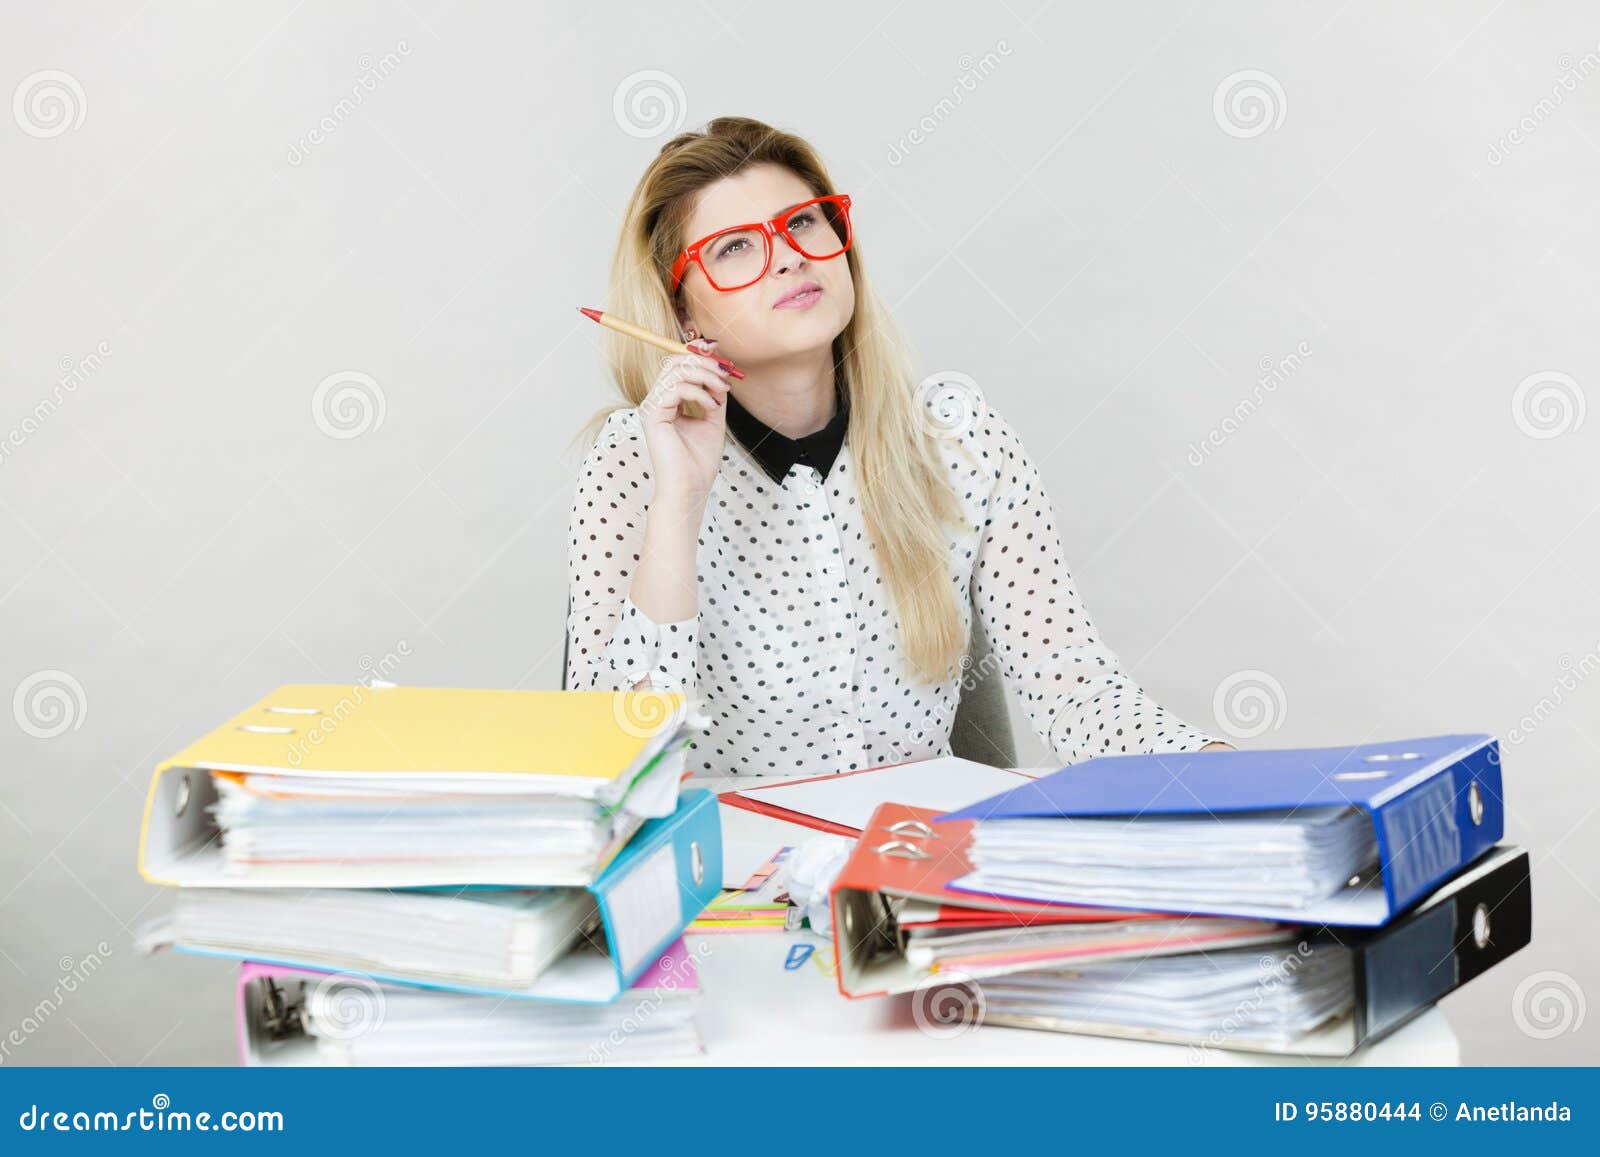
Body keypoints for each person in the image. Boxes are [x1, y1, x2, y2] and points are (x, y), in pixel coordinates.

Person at [568, 116, 1228, 777]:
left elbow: (1075, 689)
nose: (792, 256)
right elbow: (613, 762)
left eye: (802, 221)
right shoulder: (636, 460)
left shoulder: (957, 435)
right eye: (735, 247)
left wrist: (1216, 770)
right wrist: (679, 501)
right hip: (733, 871)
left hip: (910, 858)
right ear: (682, 310)